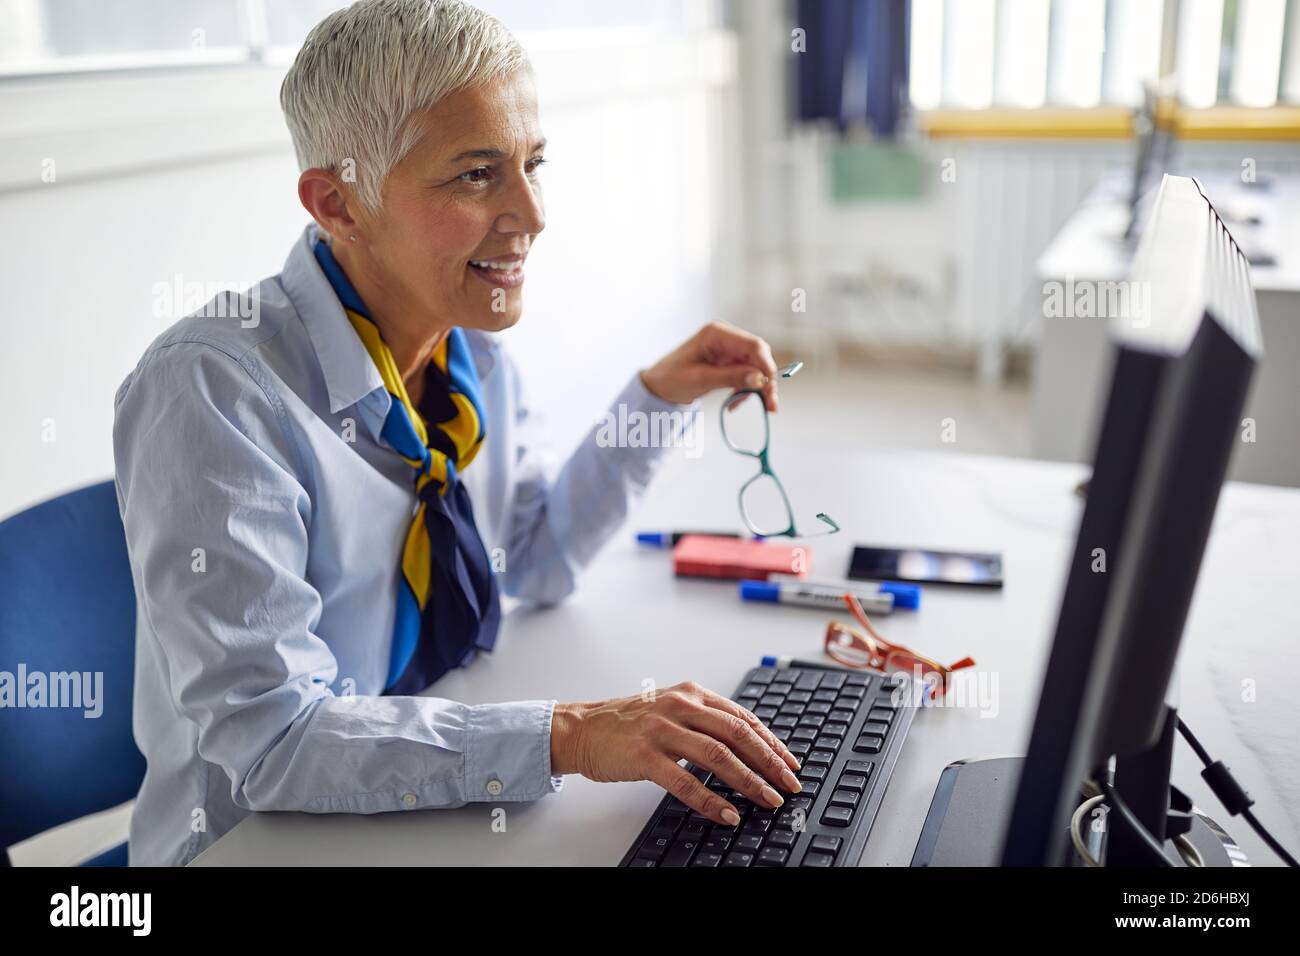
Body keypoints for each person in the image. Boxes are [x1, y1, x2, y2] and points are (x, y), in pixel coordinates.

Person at [113, 0, 800, 866]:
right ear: (339, 202)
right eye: (476, 175)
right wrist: (573, 735)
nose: (532, 213)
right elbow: (276, 744)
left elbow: (533, 557)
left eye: (532, 163)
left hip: (420, 806)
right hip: (256, 844)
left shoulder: (466, 343)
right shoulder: (211, 389)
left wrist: (653, 401)